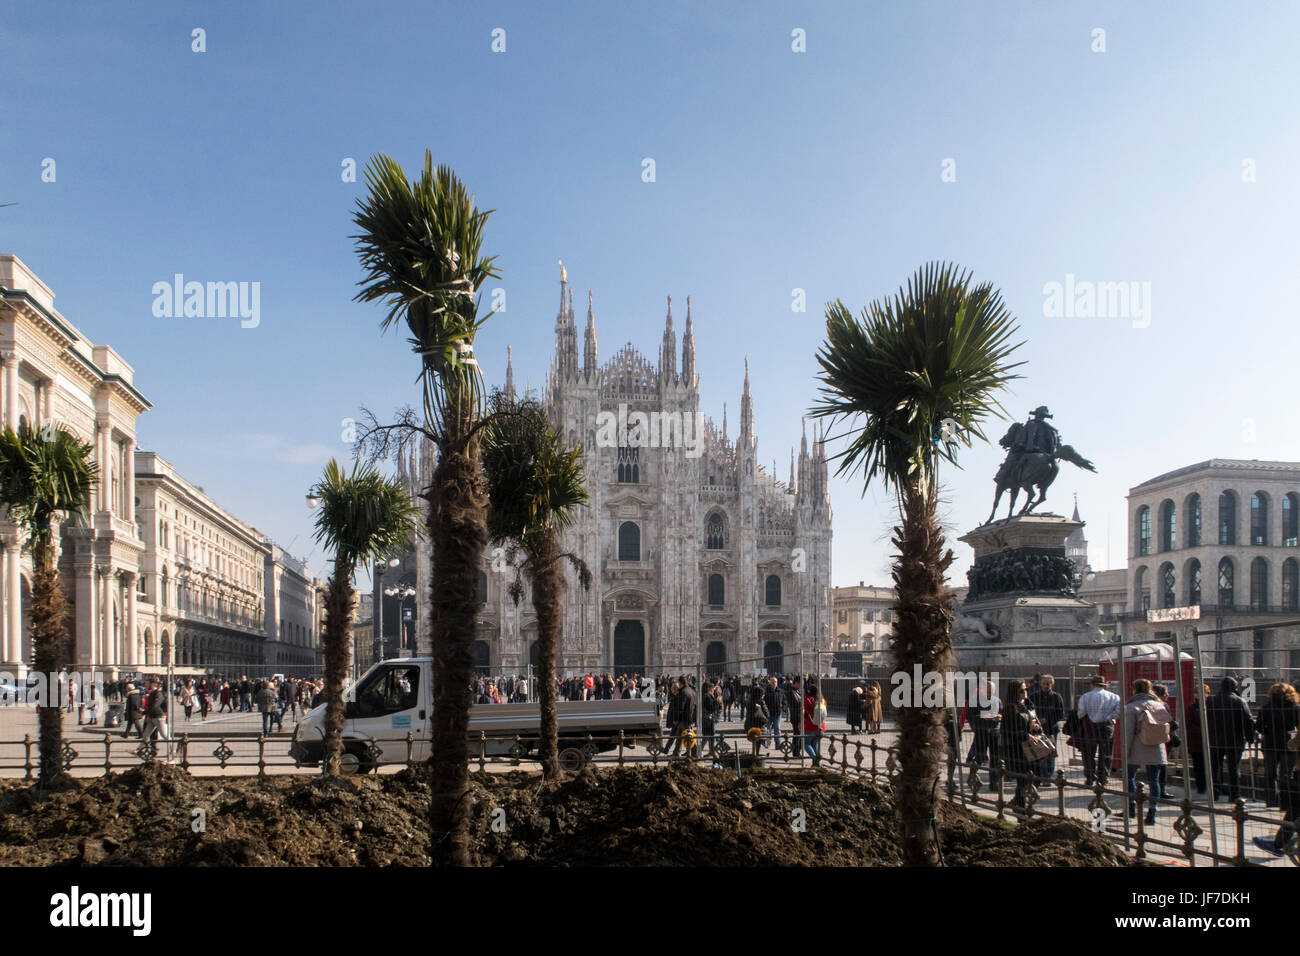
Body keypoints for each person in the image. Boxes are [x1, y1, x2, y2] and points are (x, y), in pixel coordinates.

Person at [1125, 678, 1171, 825]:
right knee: (1154, 781)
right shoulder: (1159, 705)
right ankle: (1152, 812)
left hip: (1137, 747)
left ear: (1134, 689)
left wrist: (1125, 751)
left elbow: (1128, 732)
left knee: (1129, 777)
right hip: (1157, 747)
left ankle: (1132, 806)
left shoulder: (1131, 707)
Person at [1206, 677, 1255, 801]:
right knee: (1234, 767)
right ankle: (1234, 794)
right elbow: (1248, 720)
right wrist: (1250, 737)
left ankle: (1215, 792)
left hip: (1214, 739)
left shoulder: (1210, 701)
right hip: (1234, 739)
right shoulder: (1239, 701)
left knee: (1215, 767)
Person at [1257, 683, 1300, 807]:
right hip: (1289, 744)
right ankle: (1285, 802)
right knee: (1286, 774)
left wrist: (1268, 730)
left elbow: (1259, 727)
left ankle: (1271, 800)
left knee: (1270, 774)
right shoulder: (1295, 708)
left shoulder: (1266, 708)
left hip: (1270, 744)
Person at [1000, 679, 1039, 809]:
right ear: (1014, 693)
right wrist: (1025, 734)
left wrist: (1035, 726)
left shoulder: (1028, 704)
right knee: (1022, 780)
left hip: (1030, 747)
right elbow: (1006, 730)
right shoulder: (1010, 708)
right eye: (1021, 691)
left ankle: (1017, 801)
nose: (1025, 693)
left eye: (1026, 689)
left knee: (1035, 777)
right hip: (1016, 749)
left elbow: (1033, 720)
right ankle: (1020, 809)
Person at [1076, 675, 1120, 788]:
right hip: (1107, 726)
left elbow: (1080, 713)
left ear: (1092, 684)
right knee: (1106, 753)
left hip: (1090, 726)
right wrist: (1109, 717)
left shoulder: (1085, 697)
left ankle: (1090, 776)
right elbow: (1119, 711)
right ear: (1104, 685)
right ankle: (1103, 777)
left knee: (1088, 753)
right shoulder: (1114, 697)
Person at [1029, 674, 1065, 784]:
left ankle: (1047, 777)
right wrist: (1036, 721)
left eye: (1048, 684)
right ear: (1040, 684)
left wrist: (1048, 720)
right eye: (1044, 684)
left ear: (1052, 685)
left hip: (1051, 729)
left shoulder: (1056, 697)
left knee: (1049, 753)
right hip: (1037, 730)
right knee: (1038, 753)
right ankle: (1039, 776)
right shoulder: (1034, 696)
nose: (1046, 686)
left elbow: (1061, 714)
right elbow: (1029, 711)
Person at [967, 679, 1001, 767]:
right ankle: (973, 776)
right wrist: (983, 716)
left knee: (995, 758)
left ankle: (994, 779)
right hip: (981, 732)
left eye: (991, 691)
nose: (989, 693)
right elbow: (970, 715)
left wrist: (1000, 716)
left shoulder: (997, 700)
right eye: (988, 691)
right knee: (979, 757)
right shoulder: (975, 700)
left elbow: (1002, 712)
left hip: (994, 732)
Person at [803, 681, 826, 764]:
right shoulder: (822, 700)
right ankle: (816, 761)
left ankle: (815, 758)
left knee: (805, 744)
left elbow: (805, 713)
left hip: (810, 725)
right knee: (815, 743)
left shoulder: (808, 699)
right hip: (820, 726)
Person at [764, 677, 784, 747]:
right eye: (772, 682)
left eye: (775, 682)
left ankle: (778, 744)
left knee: (777, 728)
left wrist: (782, 708)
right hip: (768, 713)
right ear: (770, 683)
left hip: (777, 713)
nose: (774, 683)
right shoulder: (766, 691)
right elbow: (764, 702)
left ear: (777, 683)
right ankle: (768, 742)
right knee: (768, 729)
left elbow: (783, 701)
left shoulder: (780, 691)